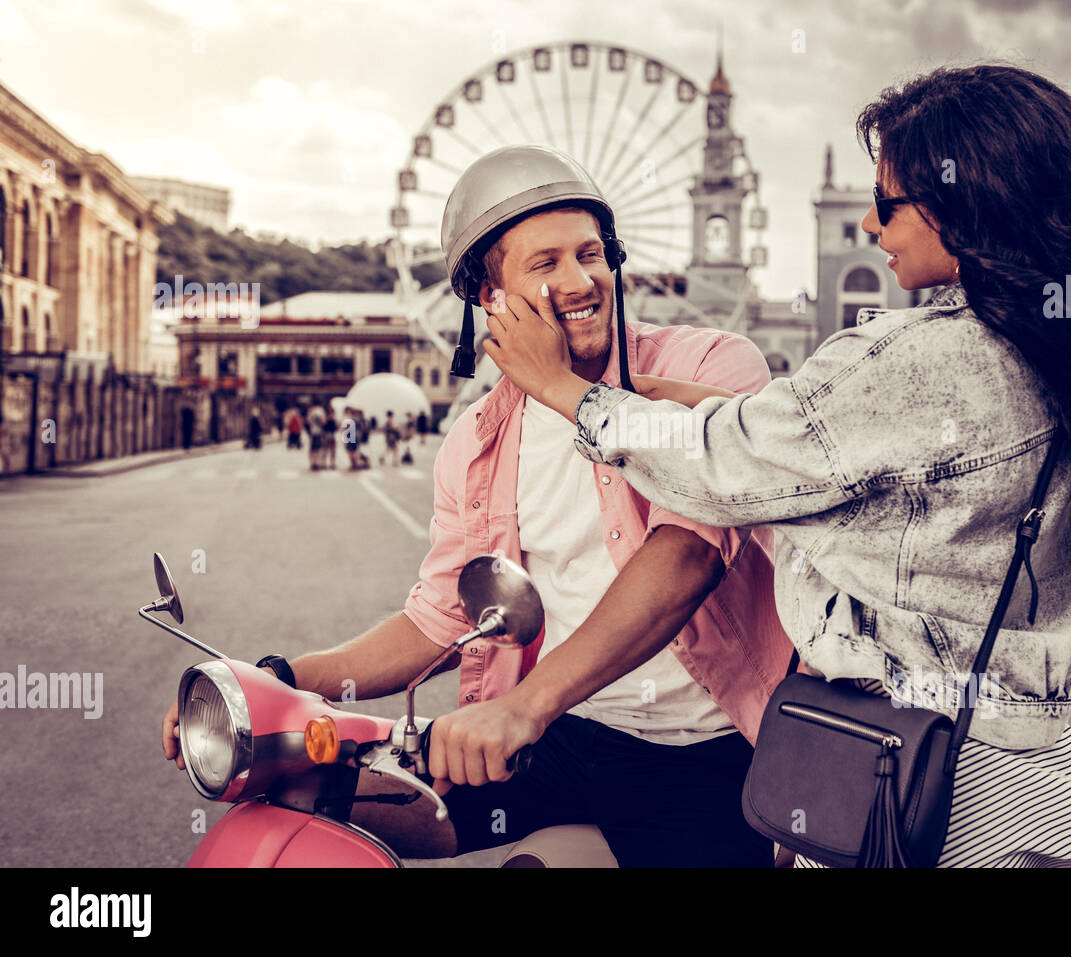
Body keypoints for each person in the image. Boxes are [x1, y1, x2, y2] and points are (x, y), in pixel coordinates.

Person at [486, 66, 1071, 868]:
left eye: (888, 200)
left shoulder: (919, 356)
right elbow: (833, 447)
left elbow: (725, 470)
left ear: (961, 203)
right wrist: (677, 397)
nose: (871, 222)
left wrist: (562, 389)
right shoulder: (1054, 342)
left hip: (916, 772)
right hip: (1027, 754)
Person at [161, 144, 792, 867]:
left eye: (593, 254)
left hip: (698, 750)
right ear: (489, 300)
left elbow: (685, 557)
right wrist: (276, 680)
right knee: (294, 786)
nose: (583, 279)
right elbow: (440, 618)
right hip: (553, 738)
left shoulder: (713, 366)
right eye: (546, 263)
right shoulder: (476, 441)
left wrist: (525, 706)